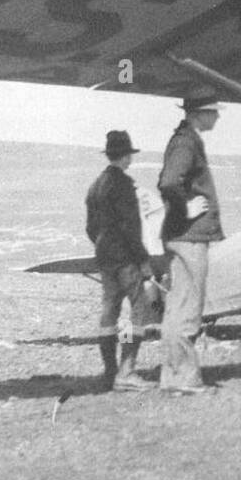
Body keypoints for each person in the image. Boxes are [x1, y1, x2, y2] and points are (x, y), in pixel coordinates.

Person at [157, 96, 224, 394]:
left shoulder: (183, 139)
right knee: (188, 309)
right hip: (189, 235)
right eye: (214, 112)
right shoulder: (186, 142)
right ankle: (185, 379)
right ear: (200, 113)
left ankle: (173, 378)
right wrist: (186, 208)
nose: (218, 118)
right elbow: (169, 182)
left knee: (176, 308)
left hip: (181, 235)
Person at [85, 130, 159, 392]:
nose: (131, 160)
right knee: (138, 311)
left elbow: (90, 229)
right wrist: (143, 260)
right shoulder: (124, 185)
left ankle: (109, 372)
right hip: (126, 258)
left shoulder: (96, 186)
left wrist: (104, 247)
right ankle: (127, 371)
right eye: (129, 155)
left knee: (109, 312)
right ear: (125, 156)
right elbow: (131, 227)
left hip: (105, 259)